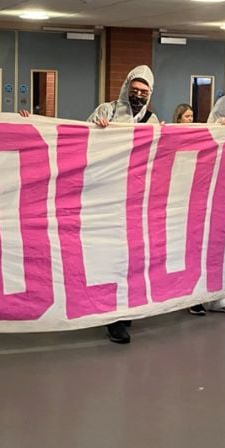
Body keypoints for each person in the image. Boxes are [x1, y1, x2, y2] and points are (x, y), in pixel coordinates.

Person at [89, 65, 157, 344]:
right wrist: (97, 132)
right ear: (126, 87)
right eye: (134, 90)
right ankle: (108, 313)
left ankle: (123, 312)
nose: (138, 96)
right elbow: (82, 144)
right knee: (107, 257)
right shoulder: (106, 111)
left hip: (135, 200)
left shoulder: (152, 121)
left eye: (144, 92)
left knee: (131, 259)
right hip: (106, 198)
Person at [188, 94, 225, 317]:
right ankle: (194, 297)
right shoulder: (204, 134)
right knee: (201, 249)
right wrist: (216, 130)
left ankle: (224, 298)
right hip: (205, 199)